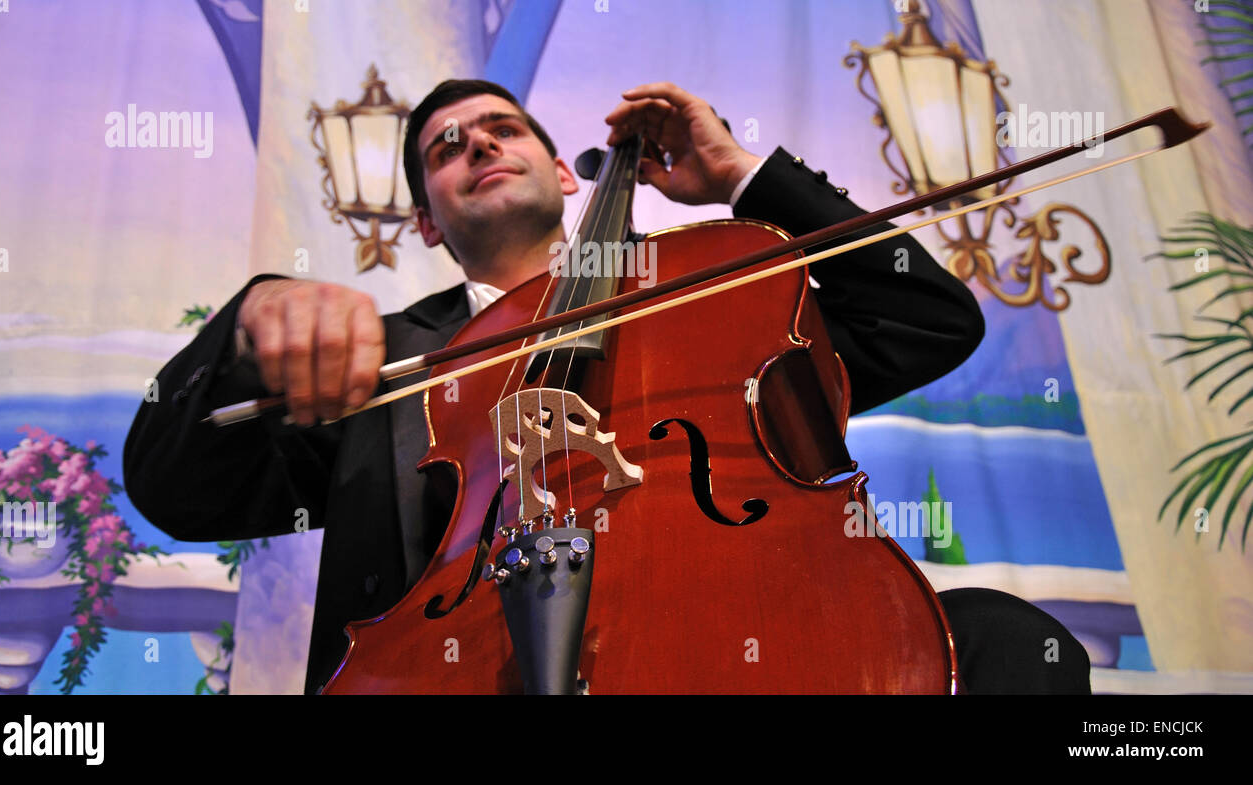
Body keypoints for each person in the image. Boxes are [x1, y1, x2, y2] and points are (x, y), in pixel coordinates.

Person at [124, 79, 1089, 694]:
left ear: (560, 169)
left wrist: (746, 179)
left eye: (502, 129)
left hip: (726, 644)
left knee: (1008, 649)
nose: (477, 145)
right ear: (425, 221)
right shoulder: (383, 365)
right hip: (450, 672)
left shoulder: (716, 297)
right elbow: (180, 492)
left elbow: (925, 321)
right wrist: (253, 321)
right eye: (446, 147)